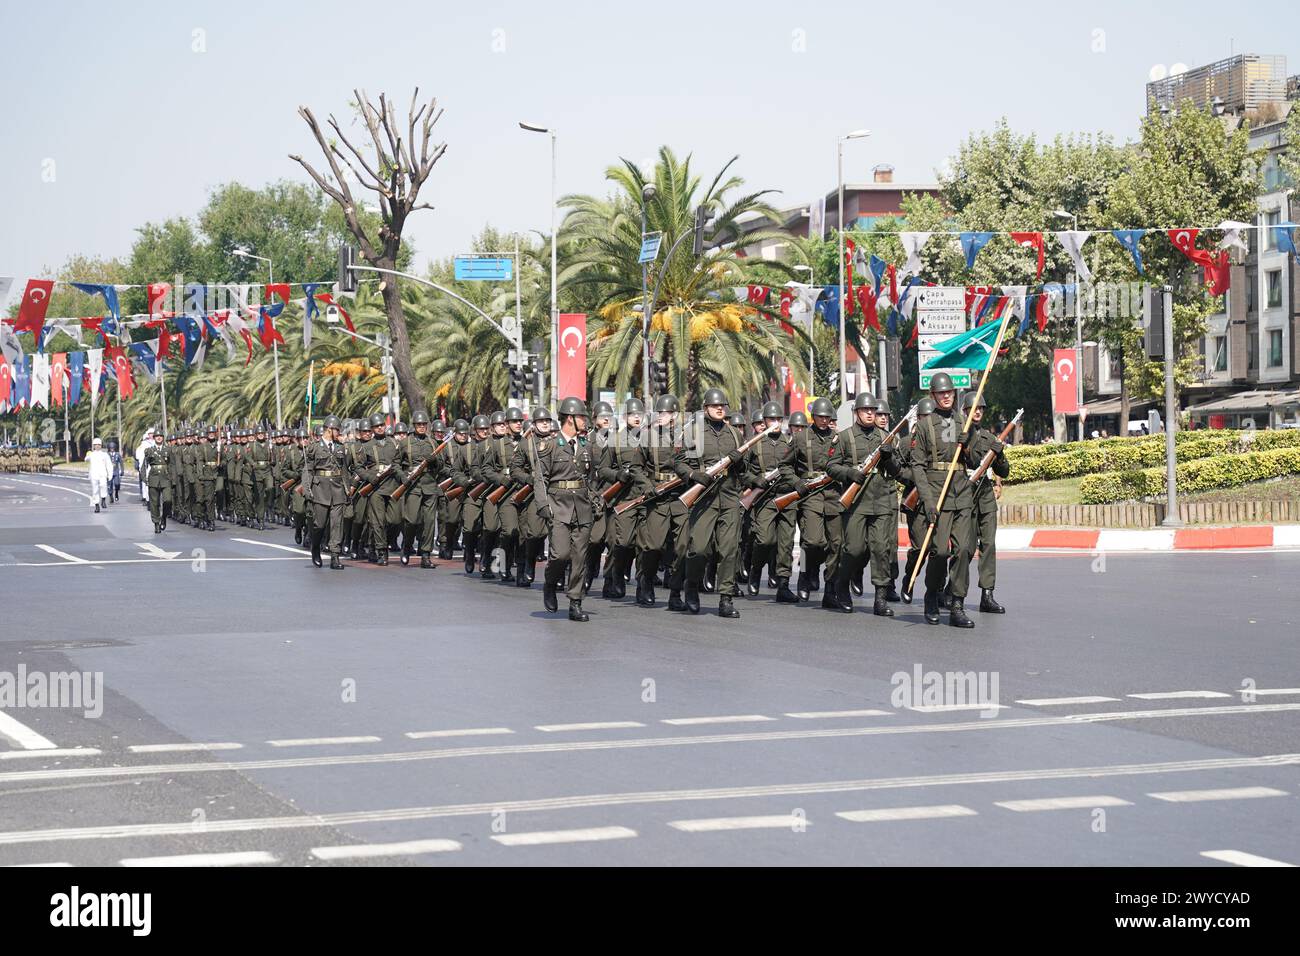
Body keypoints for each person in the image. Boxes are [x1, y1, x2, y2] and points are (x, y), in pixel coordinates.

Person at [909, 373, 981, 628]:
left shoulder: (964, 421)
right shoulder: (926, 426)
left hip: (961, 491)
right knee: (940, 551)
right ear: (934, 396)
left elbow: (973, 462)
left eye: (949, 392)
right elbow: (917, 466)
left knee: (963, 550)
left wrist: (969, 444)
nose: (946, 396)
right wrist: (927, 501)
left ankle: (957, 603)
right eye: (941, 393)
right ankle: (931, 594)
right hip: (937, 493)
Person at [671, 388, 748, 618]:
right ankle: (691, 586)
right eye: (715, 406)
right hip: (705, 497)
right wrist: (694, 476)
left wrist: (739, 460)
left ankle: (726, 598)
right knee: (699, 548)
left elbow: (745, 470)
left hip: (730, 496)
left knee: (729, 549)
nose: (719, 408)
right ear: (705, 408)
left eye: (722, 406)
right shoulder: (693, 433)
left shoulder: (735, 434)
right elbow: (679, 462)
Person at [529, 397, 597, 622]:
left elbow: (591, 478)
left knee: (580, 557)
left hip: (582, 507)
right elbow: (540, 479)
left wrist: (596, 499)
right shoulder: (549, 446)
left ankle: (575, 602)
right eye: (581, 417)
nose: (585, 421)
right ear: (570, 419)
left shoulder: (587, 446)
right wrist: (543, 505)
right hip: (558, 506)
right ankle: (550, 582)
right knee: (560, 555)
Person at [961, 393, 1010, 614]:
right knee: (966, 548)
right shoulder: (957, 435)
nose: (978, 411)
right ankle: (952, 590)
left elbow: (1004, 471)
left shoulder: (990, 438)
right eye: (973, 408)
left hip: (985, 497)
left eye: (981, 408)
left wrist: (999, 456)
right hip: (964, 495)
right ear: (965, 411)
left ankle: (987, 594)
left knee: (988, 545)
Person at [303, 415, 351, 570]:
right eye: (337, 430)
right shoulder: (314, 447)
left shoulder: (340, 447)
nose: (339, 433)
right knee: (319, 524)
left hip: (337, 489)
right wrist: (307, 489)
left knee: (337, 524)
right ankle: (315, 547)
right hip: (320, 489)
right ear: (329, 430)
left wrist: (347, 488)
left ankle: (335, 556)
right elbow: (308, 471)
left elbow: (344, 470)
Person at [86, 437, 113, 512]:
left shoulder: (104, 455)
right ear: (94, 446)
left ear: (101, 445)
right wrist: (88, 455)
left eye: (99, 444)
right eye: (96, 445)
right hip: (94, 475)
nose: (97, 446)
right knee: (95, 491)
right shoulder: (91, 454)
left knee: (103, 486)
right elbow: (86, 459)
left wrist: (110, 474)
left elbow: (109, 465)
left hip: (102, 474)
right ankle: (97, 505)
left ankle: (103, 500)